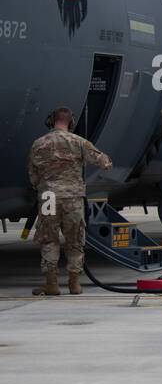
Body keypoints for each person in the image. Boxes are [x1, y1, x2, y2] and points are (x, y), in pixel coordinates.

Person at [26, 106, 113, 296]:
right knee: (75, 241)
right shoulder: (79, 142)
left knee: (49, 240)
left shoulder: (39, 144)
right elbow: (104, 162)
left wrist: (42, 186)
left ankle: (52, 284)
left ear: (51, 121)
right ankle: (74, 284)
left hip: (48, 197)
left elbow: (33, 175)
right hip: (73, 198)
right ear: (70, 122)